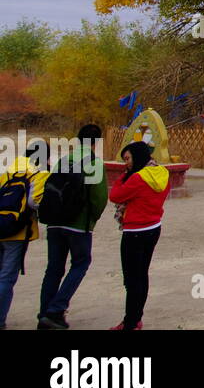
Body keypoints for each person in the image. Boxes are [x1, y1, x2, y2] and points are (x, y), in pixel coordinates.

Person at [37, 124, 107, 330]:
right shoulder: (94, 163)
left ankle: (44, 312)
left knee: (54, 268)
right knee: (81, 263)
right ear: (96, 143)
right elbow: (99, 197)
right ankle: (56, 310)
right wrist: (91, 218)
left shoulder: (64, 160)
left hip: (55, 222)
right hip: (78, 223)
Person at [108, 140, 170, 331]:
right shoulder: (163, 173)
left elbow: (115, 196)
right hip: (153, 226)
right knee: (141, 275)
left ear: (137, 156)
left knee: (132, 279)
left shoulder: (137, 178)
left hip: (135, 230)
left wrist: (124, 176)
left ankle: (131, 321)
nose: (126, 163)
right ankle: (135, 318)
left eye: (128, 158)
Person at [0, 143, 48, 330]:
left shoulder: (8, 172)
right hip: (17, 231)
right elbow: (34, 202)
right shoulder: (38, 174)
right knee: (6, 277)